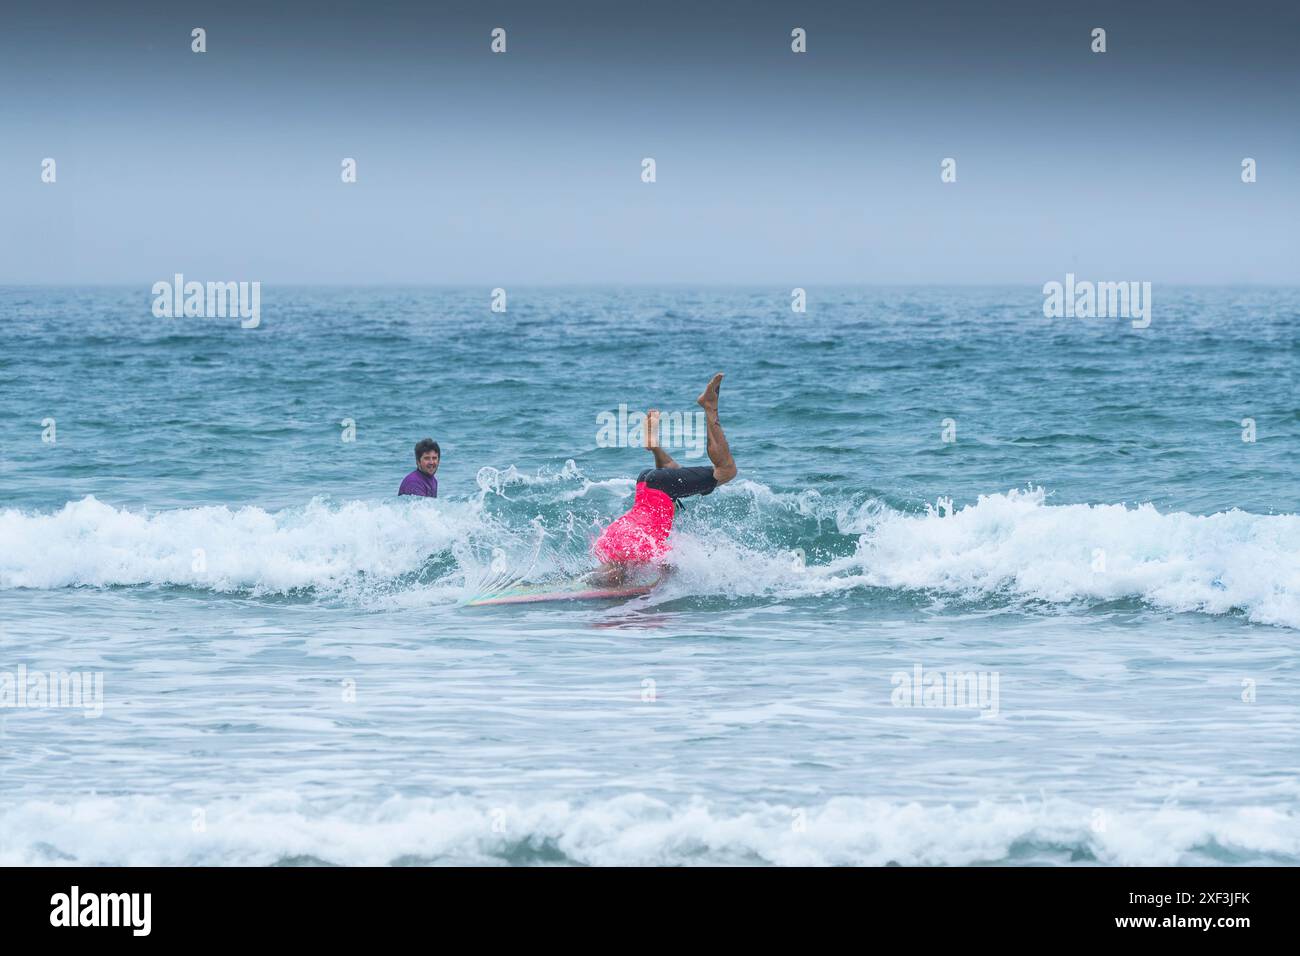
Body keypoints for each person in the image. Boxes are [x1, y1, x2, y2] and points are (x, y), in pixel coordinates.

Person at [592, 373, 736, 577]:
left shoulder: (631, 546)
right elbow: (668, 564)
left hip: (656, 488)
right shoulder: (625, 544)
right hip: (647, 484)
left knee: (721, 471)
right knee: (725, 470)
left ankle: (657, 446)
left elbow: (667, 564)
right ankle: (709, 406)